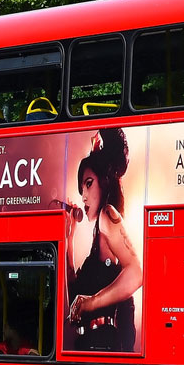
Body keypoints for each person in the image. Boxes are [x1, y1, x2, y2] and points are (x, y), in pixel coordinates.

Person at [65, 128, 142, 351]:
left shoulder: (108, 215)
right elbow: (73, 299)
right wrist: (68, 239)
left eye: (89, 183)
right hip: (89, 344)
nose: (83, 196)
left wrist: (91, 303)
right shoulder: (97, 233)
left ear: (105, 181)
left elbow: (137, 273)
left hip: (105, 345)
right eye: (81, 189)